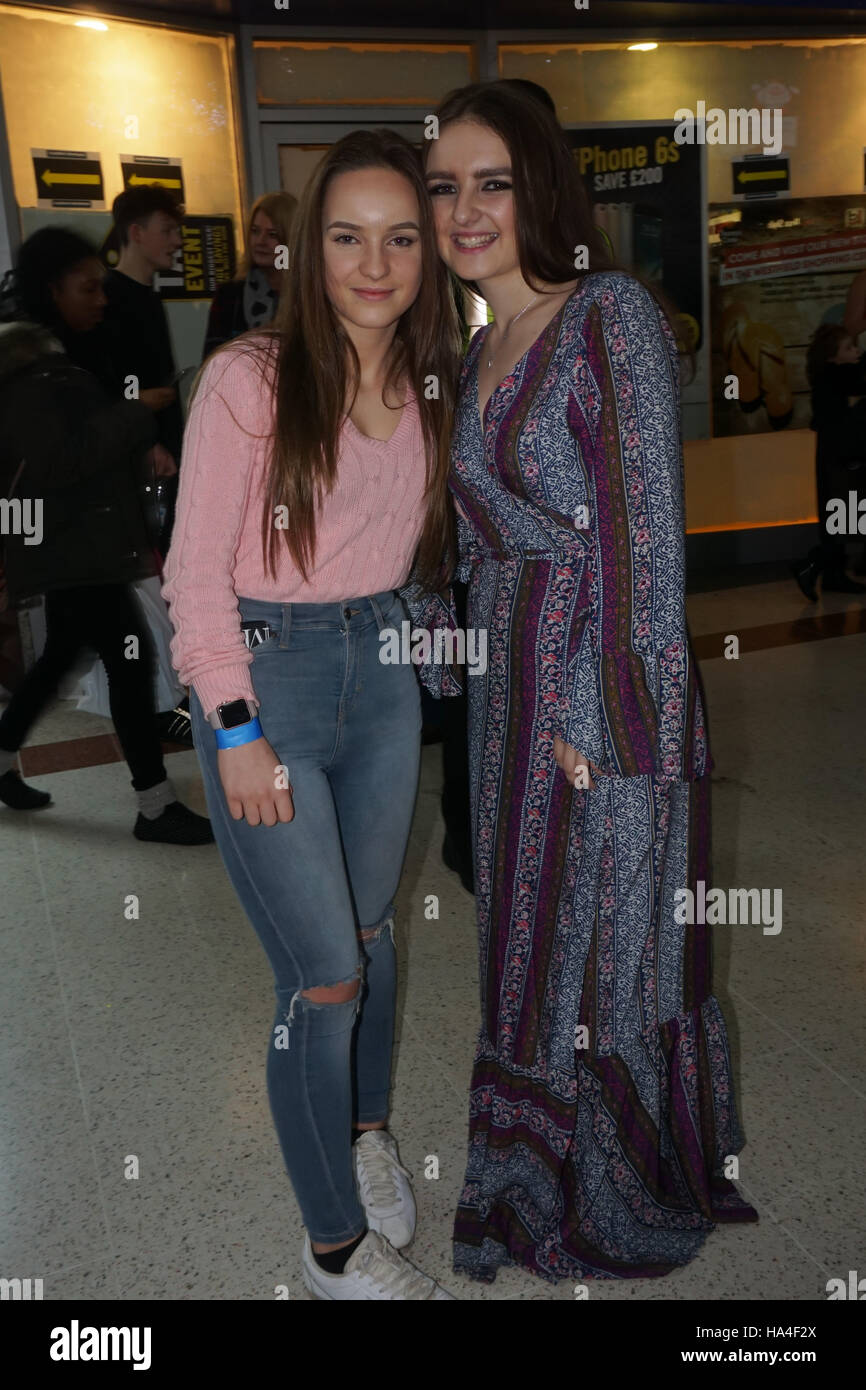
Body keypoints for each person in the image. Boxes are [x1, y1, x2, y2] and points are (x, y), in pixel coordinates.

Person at [421, 80, 758, 1283]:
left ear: (541, 186)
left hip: (597, 684)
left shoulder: (604, 312)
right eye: (444, 186)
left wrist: (595, 709)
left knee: (605, 941)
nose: (465, 210)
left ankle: (612, 1193)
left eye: (491, 182)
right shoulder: (474, 345)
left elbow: (646, 537)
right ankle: (526, 1180)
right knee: (522, 933)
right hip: (508, 689)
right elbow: (473, 536)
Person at [162, 130, 462, 1299]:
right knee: (324, 973)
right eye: (347, 236)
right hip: (266, 672)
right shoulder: (251, 377)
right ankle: (332, 1242)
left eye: (399, 237)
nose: (374, 262)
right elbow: (193, 571)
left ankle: (364, 1129)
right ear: (307, 250)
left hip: (381, 672)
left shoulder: (435, 379)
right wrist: (232, 726)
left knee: (375, 936)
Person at [0, 229, 213, 844]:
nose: (101, 298)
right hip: (72, 541)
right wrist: (138, 411)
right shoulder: (33, 370)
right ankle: (154, 807)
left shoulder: (51, 356)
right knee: (129, 656)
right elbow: (61, 460)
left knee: (64, 652)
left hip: (75, 540)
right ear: (52, 290)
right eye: (87, 287)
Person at [103, 186, 185, 548]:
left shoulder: (147, 297)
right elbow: (117, 379)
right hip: (138, 460)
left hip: (160, 452)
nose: (177, 241)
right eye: (167, 230)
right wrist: (147, 442)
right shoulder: (108, 299)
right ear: (136, 233)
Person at [791, 323, 866, 600]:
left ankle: (833, 574)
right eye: (849, 348)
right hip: (841, 458)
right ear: (832, 356)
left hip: (835, 456)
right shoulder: (839, 377)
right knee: (843, 519)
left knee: (841, 521)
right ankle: (811, 565)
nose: (856, 350)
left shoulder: (831, 376)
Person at [202, 192, 298, 356]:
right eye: (255, 231)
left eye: (272, 234)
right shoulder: (230, 295)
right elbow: (212, 360)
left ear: (291, 238)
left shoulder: (309, 295)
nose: (260, 241)